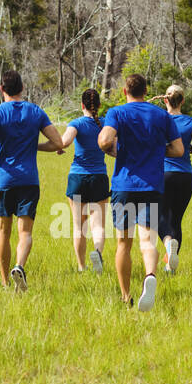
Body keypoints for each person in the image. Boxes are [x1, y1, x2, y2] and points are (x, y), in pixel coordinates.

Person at [98, 73, 183, 310]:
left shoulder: (117, 113)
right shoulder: (161, 115)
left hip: (124, 185)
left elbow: (104, 141)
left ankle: (126, 296)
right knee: (147, 239)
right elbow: (178, 149)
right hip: (152, 185)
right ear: (147, 91)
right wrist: (156, 150)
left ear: (125, 92)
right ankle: (150, 275)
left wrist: (114, 149)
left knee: (124, 244)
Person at [0, 70, 64, 291]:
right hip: (29, 180)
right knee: (25, 232)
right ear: (22, 88)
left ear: (1, 89)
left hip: (4, 181)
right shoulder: (35, 111)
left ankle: (6, 282)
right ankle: (19, 266)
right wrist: (34, 146)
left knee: (3, 232)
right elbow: (58, 142)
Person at [57, 88, 109, 274]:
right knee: (98, 225)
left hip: (78, 178)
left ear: (82, 105)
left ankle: (81, 267)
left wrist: (59, 148)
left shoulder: (76, 123)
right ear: (100, 106)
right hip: (99, 178)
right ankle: (97, 253)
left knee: (79, 226)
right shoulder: (105, 124)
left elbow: (64, 142)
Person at [157, 84, 192, 274]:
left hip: (162, 174)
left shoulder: (160, 120)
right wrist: (190, 149)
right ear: (183, 101)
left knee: (158, 218)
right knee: (176, 220)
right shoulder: (191, 122)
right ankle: (170, 267)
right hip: (185, 177)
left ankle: (168, 244)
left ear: (165, 100)